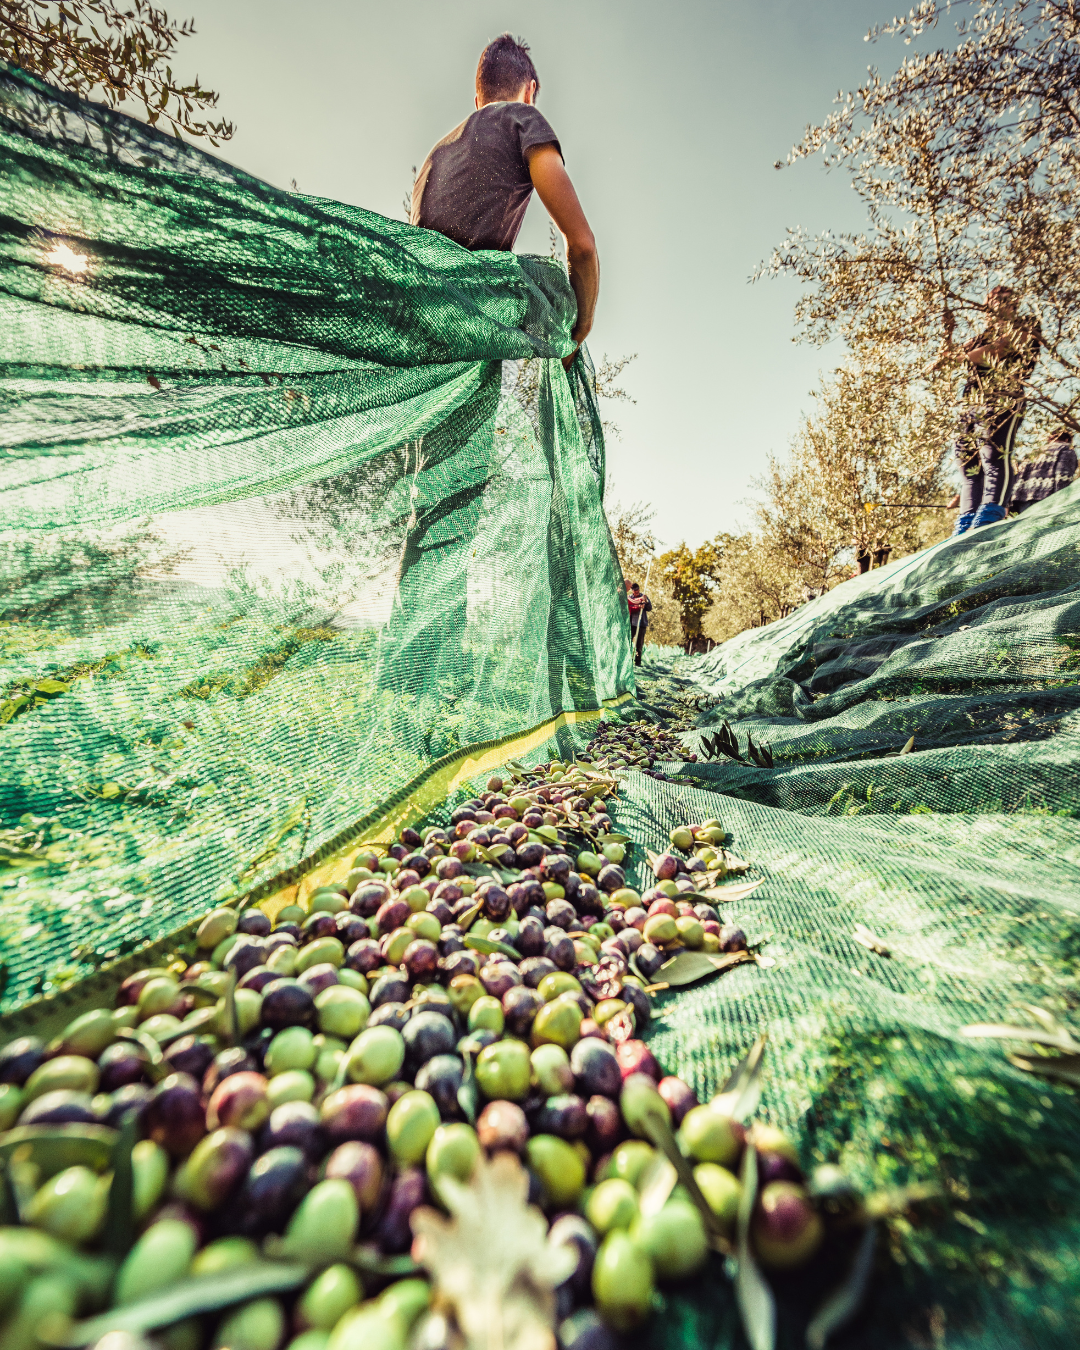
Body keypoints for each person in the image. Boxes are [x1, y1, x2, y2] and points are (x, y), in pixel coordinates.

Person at [411, 34, 598, 369]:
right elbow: (582, 246)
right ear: (529, 91)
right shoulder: (521, 119)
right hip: (465, 333)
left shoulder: (433, 157)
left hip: (415, 329)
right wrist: (580, 329)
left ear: (477, 99)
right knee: (554, 287)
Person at [929, 286, 1042, 535]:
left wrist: (960, 357)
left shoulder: (1025, 326)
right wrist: (948, 332)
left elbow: (999, 350)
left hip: (1003, 398)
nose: (999, 305)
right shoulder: (980, 338)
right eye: (994, 300)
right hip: (971, 403)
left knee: (993, 454)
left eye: (1005, 300)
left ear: (1015, 304)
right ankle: (966, 521)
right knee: (967, 461)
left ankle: (991, 513)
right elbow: (943, 362)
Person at [1008, 426, 1077, 514]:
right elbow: (1062, 476)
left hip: (1022, 499)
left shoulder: (1034, 453)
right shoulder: (1066, 450)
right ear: (1067, 440)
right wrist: (1062, 500)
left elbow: (1018, 476)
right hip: (1047, 498)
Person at [627, 581, 651, 666]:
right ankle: (628, 660)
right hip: (632, 624)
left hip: (641, 624)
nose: (637, 592)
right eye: (635, 591)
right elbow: (630, 605)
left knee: (639, 644)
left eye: (638, 590)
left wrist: (646, 603)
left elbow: (649, 608)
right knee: (628, 641)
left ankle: (638, 662)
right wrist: (639, 605)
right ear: (632, 590)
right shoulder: (630, 597)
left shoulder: (644, 597)